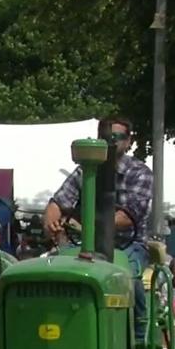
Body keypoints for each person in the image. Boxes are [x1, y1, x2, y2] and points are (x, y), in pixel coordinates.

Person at [43, 116, 152, 336]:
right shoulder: (85, 171)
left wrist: (82, 225)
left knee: (129, 277)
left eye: (118, 137)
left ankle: (140, 336)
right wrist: (51, 223)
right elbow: (58, 202)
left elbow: (126, 219)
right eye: (106, 137)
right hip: (85, 245)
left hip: (128, 245)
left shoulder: (139, 173)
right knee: (53, 274)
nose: (112, 142)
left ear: (129, 141)